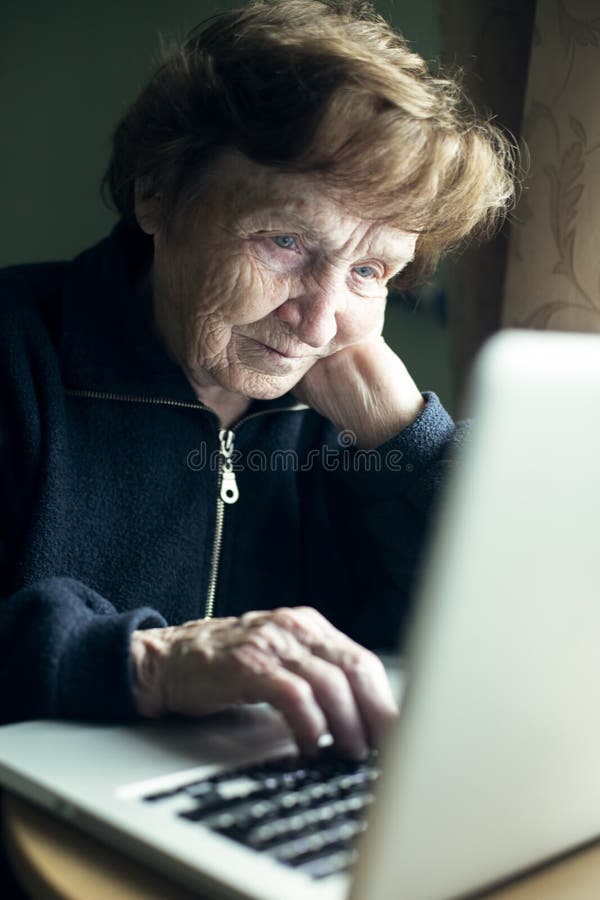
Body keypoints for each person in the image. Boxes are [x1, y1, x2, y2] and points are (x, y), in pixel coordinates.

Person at [0, 0, 515, 759]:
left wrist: (407, 440)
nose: (318, 323)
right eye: (285, 241)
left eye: (370, 270)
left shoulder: (347, 428)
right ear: (159, 192)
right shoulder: (19, 351)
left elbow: (522, 635)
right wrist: (147, 663)